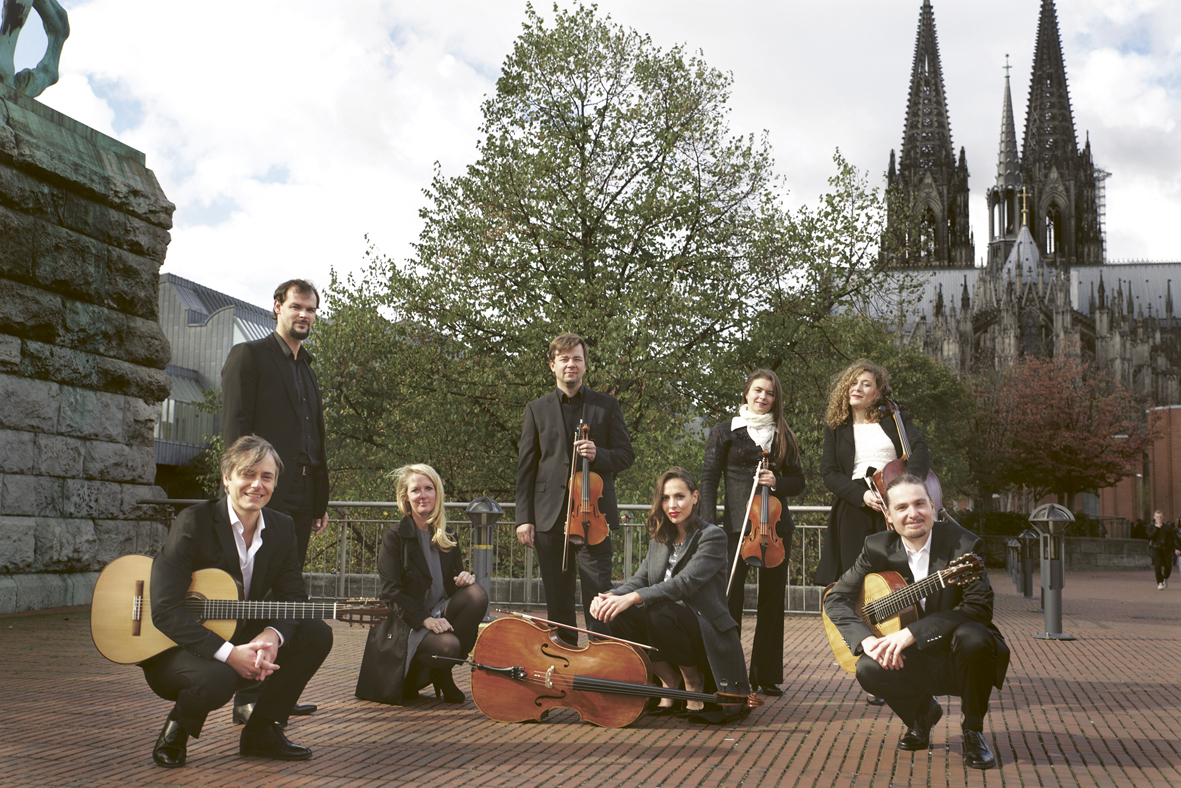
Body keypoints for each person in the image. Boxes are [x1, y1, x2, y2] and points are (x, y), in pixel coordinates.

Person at [141, 436, 333, 769]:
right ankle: (176, 731)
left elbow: (293, 598)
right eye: (248, 474)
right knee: (219, 678)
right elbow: (166, 610)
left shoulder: (282, 527)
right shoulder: (194, 523)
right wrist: (231, 655)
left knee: (316, 633)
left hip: (237, 631)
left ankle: (262, 731)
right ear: (227, 477)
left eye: (267, 476)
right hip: (172, 647)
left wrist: (273, 634)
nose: (257, 484)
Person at [824, 474, 1009, 771]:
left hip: (956, 653)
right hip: (911, 661)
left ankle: (973, 731)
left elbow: (978, 608)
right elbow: (836, 599)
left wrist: (912, 632)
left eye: (919, 503)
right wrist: (867, 640)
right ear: (889, 516)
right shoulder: (877, 548)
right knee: (867, 666)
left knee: (975, 637)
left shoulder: (964, 545)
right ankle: (921, 715)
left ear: (933, 507)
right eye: (902, 507)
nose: (913, 514)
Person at [222, 278, 329, 722]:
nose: (304, 315)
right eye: (296, 307)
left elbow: (316, 441)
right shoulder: (249, 357)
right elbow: (235, 431)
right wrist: (241, 492)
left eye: (311, 309)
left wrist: (320, 499)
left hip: (303, 497)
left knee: (286, 597)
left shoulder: (308, 370)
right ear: (277, 307)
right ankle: (246, 697)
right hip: (264, 495)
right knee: (256, 597)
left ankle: (274, 687)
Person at [590, 468, 751, 719]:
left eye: (679, 496)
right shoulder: (661, 537)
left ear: (695, 497)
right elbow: (640, 579)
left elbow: (683, 583)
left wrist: (634, 597)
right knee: (617, 613)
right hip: (667, 622)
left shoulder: (712, 536)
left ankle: (694, 682)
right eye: (665, 498)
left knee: (658, 610)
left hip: (703, 624)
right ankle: (669, 680)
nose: (672, 505)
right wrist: (610, 596)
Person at [516, 332, 634, 645]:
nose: (571, 364)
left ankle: (600, 661)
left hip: (593, 518)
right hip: (549, 518)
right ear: (552, 365)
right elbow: (526, 469)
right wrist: (523, 518)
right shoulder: (536, 410)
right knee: (558, 596)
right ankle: (566, 658)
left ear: (585, 366)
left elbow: (626, 455)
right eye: (565, 359)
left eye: (577, 359)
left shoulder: (606, 406)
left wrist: (600, 454)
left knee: (599, 594)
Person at [700, 369, 805, 696]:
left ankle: (766, 674)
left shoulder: (783, 434)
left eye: (770, 393)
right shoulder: (726, 432)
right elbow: (708, 480)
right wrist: (708, 524)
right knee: (728, 598)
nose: (763, 397)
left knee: (772, 602)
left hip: (775, 528)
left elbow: (799, 482)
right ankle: (727, 671)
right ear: (746, 393)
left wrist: (779, 482)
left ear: (776, 399)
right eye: (758, 391)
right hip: (736, 528)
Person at [356, 464, 489, 704]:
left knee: (476, 594)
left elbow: (451, 583)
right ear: (406, 497)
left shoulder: (447, 535)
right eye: (416, 490)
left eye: (429, 488)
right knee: (449, 645)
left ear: (437, 494)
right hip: (406, 621)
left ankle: (442, 671)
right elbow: (390, 593)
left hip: (438, 611)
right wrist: (424, 619)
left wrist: (464, 580)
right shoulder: (394, 537)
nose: (423, 495)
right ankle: (417, 675)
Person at [1148, 510, 1180, 589]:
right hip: (1156, 548)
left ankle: (1165, 578)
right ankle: (1160, 582)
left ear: (1163, 517)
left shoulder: (1167, 527)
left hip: (1166, 549)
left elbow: (1173, 538)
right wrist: (1156, 529)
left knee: (1168, 566)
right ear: (1154, 517)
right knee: (1157, 565)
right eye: (1157, 517)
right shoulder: (1151, 527)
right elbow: (1150, 536)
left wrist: (1177, 548)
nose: (1159, 518)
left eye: (1160, 517)